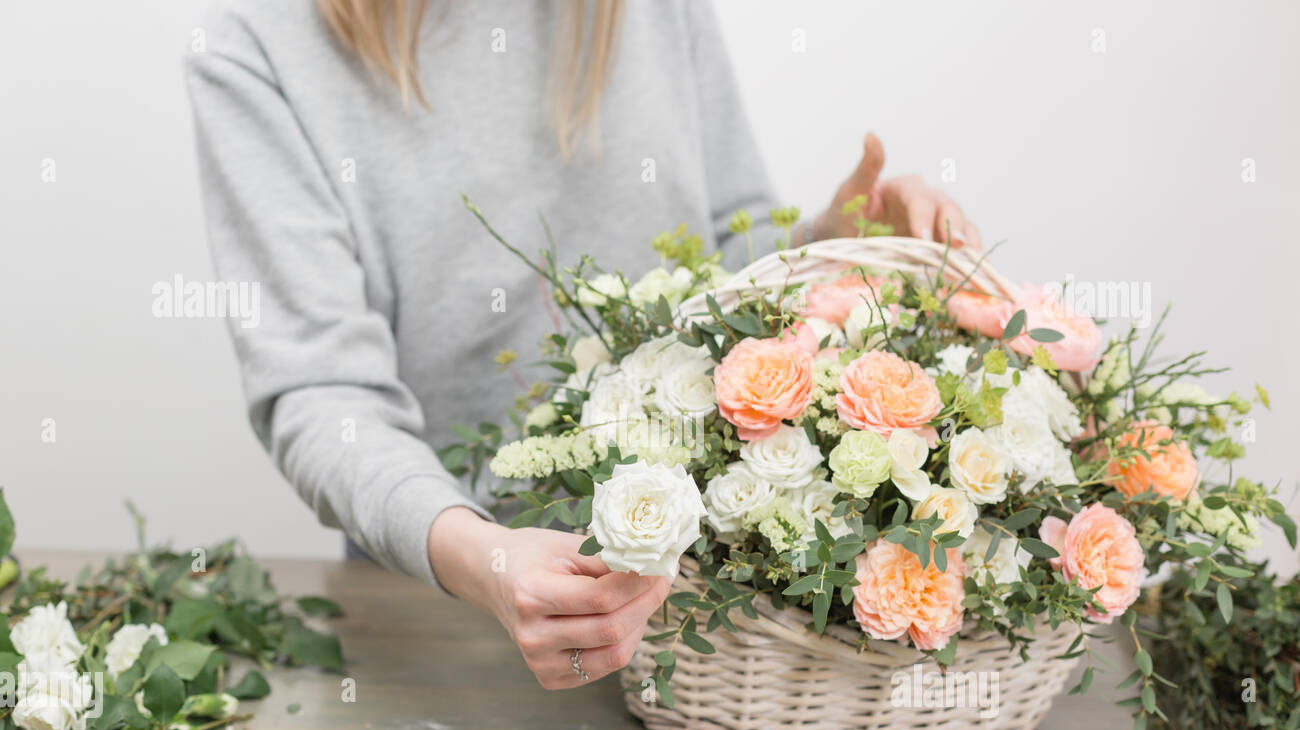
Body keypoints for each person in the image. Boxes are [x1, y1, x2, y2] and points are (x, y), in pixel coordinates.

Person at [185, 0, 981, 690]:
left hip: (711, 621)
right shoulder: (260, 41)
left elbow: (721, 258)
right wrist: (489, 561)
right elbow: (323, 393)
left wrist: (826, 242)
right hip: (441, 619)